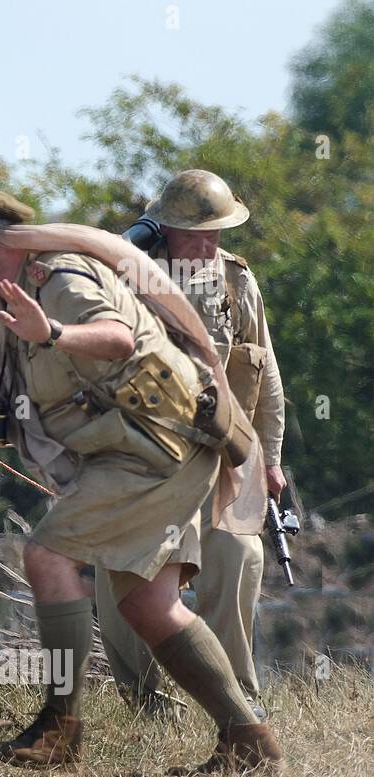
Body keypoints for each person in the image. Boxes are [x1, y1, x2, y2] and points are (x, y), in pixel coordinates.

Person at [0, 183, 282, 773]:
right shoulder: (2, 295)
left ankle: (60, 728)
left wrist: (53, 334)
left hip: (156, 447)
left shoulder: (60, 278)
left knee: (46, 555)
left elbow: (115, 337)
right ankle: (248, 740)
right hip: (145, 449)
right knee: (149, 604)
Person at [95, 170, 286, 719]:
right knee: (121, 581)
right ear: (166, 231)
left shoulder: (238, 284)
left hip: (223, 455)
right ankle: (149, 705)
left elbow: (265, 374)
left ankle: (238, 706)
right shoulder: (128, 282)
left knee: (237, 557)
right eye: (193, 234)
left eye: (215, 234)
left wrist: (271, 460)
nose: (205, 246)